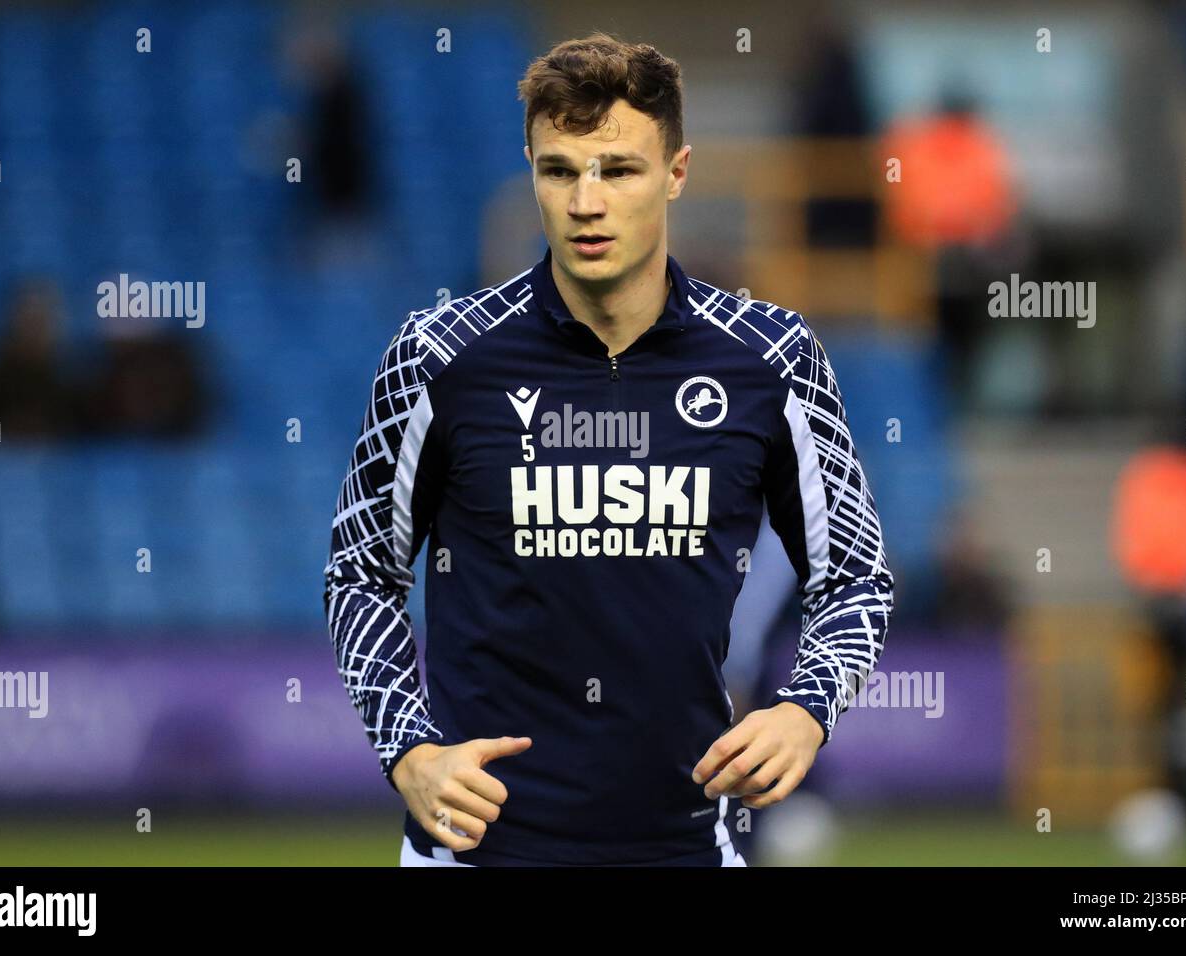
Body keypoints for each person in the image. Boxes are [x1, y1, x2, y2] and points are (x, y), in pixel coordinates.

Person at [322, 33, 894, 867]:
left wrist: (806, 708)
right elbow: (359, 575)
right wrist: (408, 752)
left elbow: (855, 575)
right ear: (532, 173)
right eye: (559, 170)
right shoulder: (438, 356)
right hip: (471, 854)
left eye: (618, 170)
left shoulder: (773, 359)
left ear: (677, 172)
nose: (586, 202)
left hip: (689, 847)